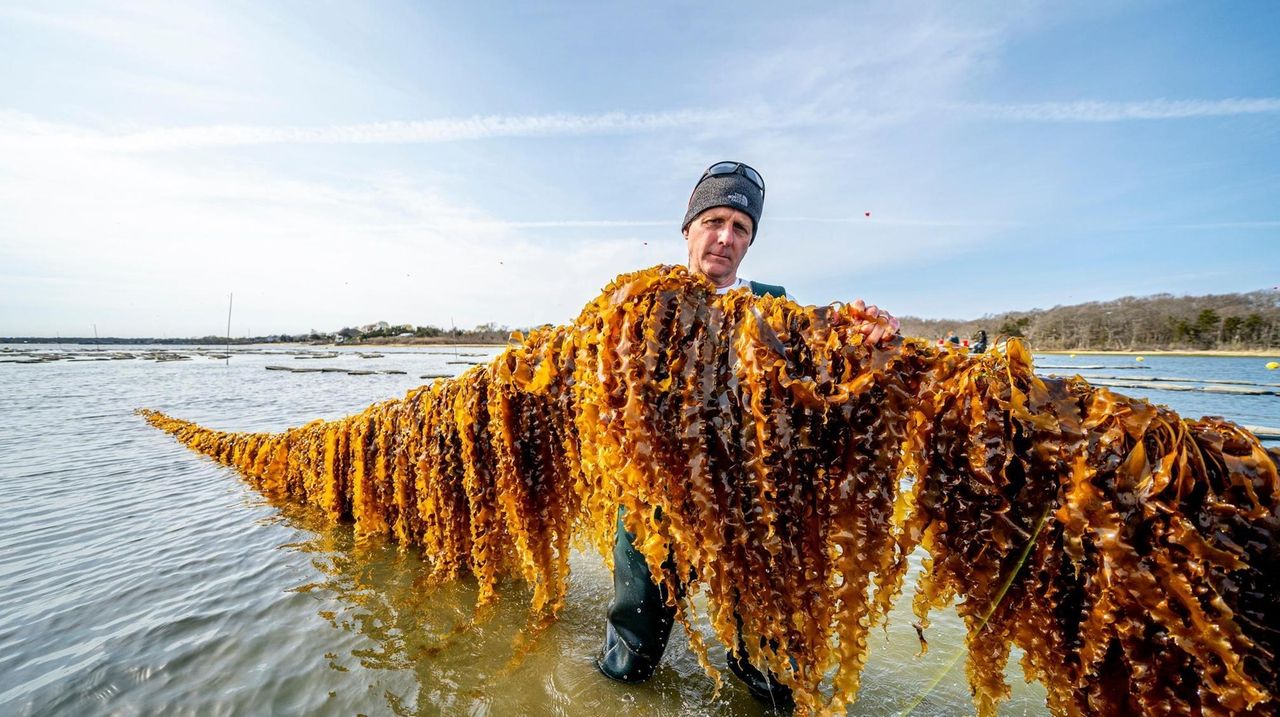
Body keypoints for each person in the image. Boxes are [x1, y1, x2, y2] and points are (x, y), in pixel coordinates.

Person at [595, 161, 898, 706]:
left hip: (753, 506)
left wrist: (872, 341)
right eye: (713, 220)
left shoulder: (778, 309)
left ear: (750, 242)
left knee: (770, 664)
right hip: (655, 499)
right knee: (631, 650)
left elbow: (832, 383)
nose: (724, 237)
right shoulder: (640, 303)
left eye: (741, 227)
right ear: (687, 229)